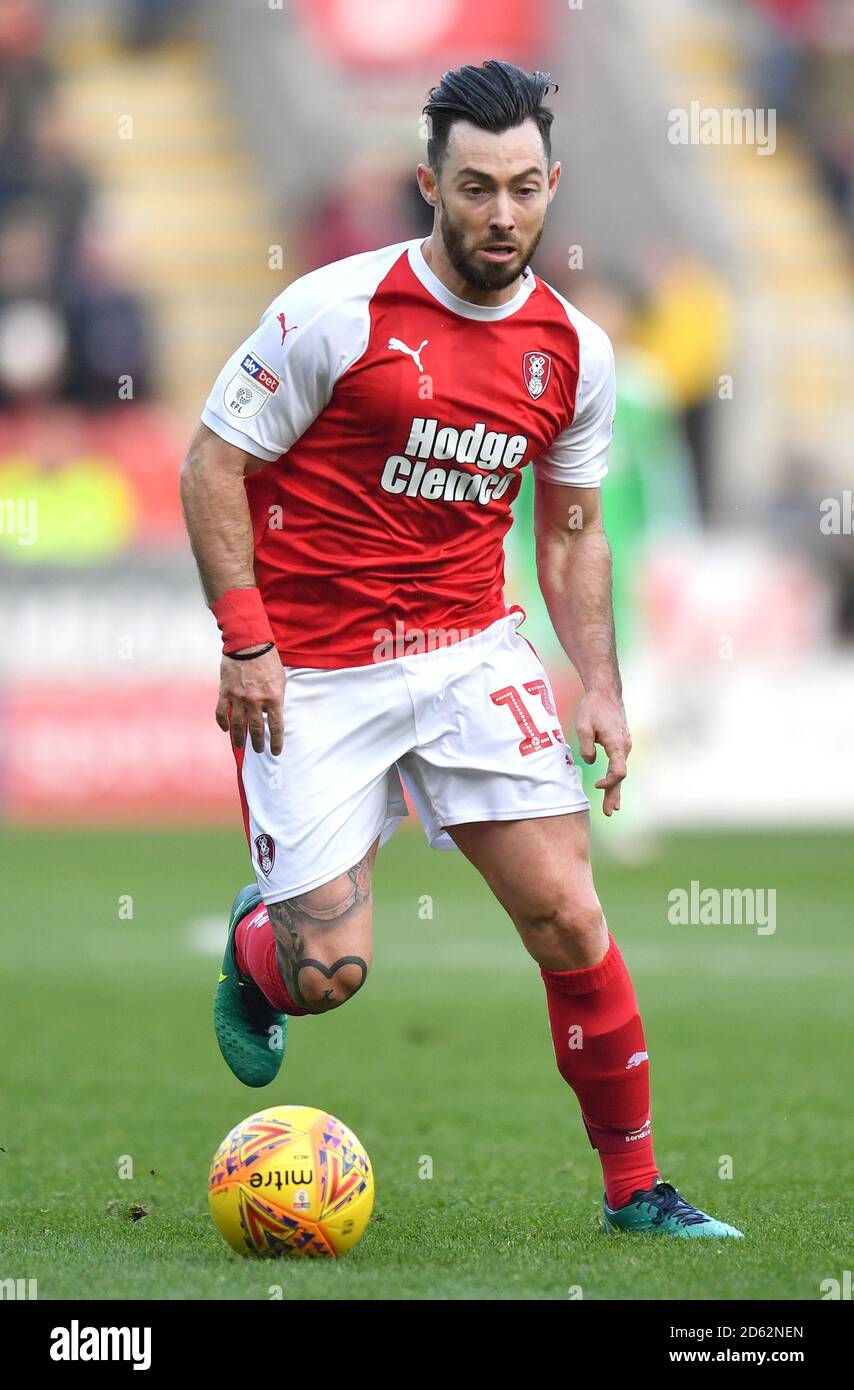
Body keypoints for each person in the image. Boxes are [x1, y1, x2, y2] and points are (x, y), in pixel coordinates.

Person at [181, 59, 742, 1239]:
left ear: (552, 185)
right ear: (427, 182)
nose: (501, 213)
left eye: (524, 187)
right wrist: (245, 645)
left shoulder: (573, 353)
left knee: (569, 915)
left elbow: (574, 538)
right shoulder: (335, 311)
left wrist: (599, 684)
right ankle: (258, 946)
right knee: (326, 975)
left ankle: (635, 1189)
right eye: (475, 186)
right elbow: (210, 464)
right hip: (315, 669)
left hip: (465, 651)